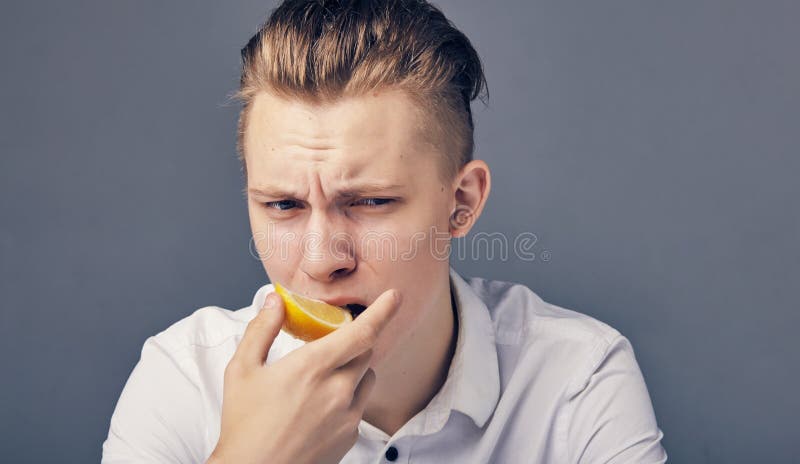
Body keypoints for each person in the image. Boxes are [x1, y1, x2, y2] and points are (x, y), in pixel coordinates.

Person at [102, 1, 668, 462]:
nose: (323, 261)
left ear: (461, 203)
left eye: (370, 202)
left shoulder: (577, 380)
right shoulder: (182, 379)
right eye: (281, 204)